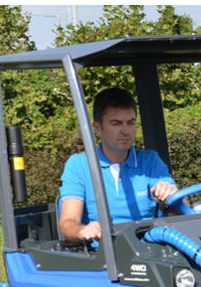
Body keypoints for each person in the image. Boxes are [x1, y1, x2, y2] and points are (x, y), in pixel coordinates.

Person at [59, 87, 179, 243]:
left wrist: (171, 195)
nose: (125, 131)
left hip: (149, 251)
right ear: (97, 128)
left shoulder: (150, 161)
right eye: (116, 123)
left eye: (130, 123)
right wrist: (82, 230)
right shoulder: (79, 165)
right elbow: (68, 223)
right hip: (102, 256)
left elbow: (182, 208)